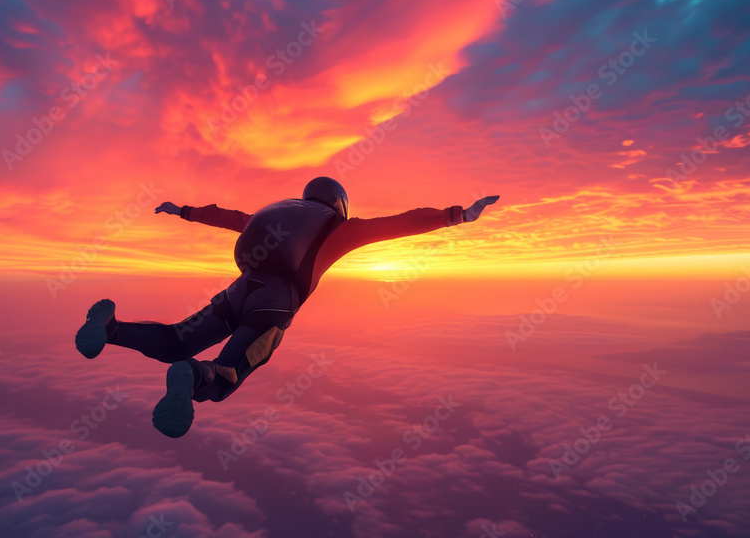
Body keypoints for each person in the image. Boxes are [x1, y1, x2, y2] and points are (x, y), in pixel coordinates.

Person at [75, 177, 499, 438]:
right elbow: (397, 224)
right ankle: (194, 375)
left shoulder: (275, 213)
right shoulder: (339, 227)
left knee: (174, 340)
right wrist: (459, 215)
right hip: (274, 306)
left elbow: (229, 217)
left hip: (240, 289)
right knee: (223, 376)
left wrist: (182, 210)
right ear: (340, 204)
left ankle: (112, 329)